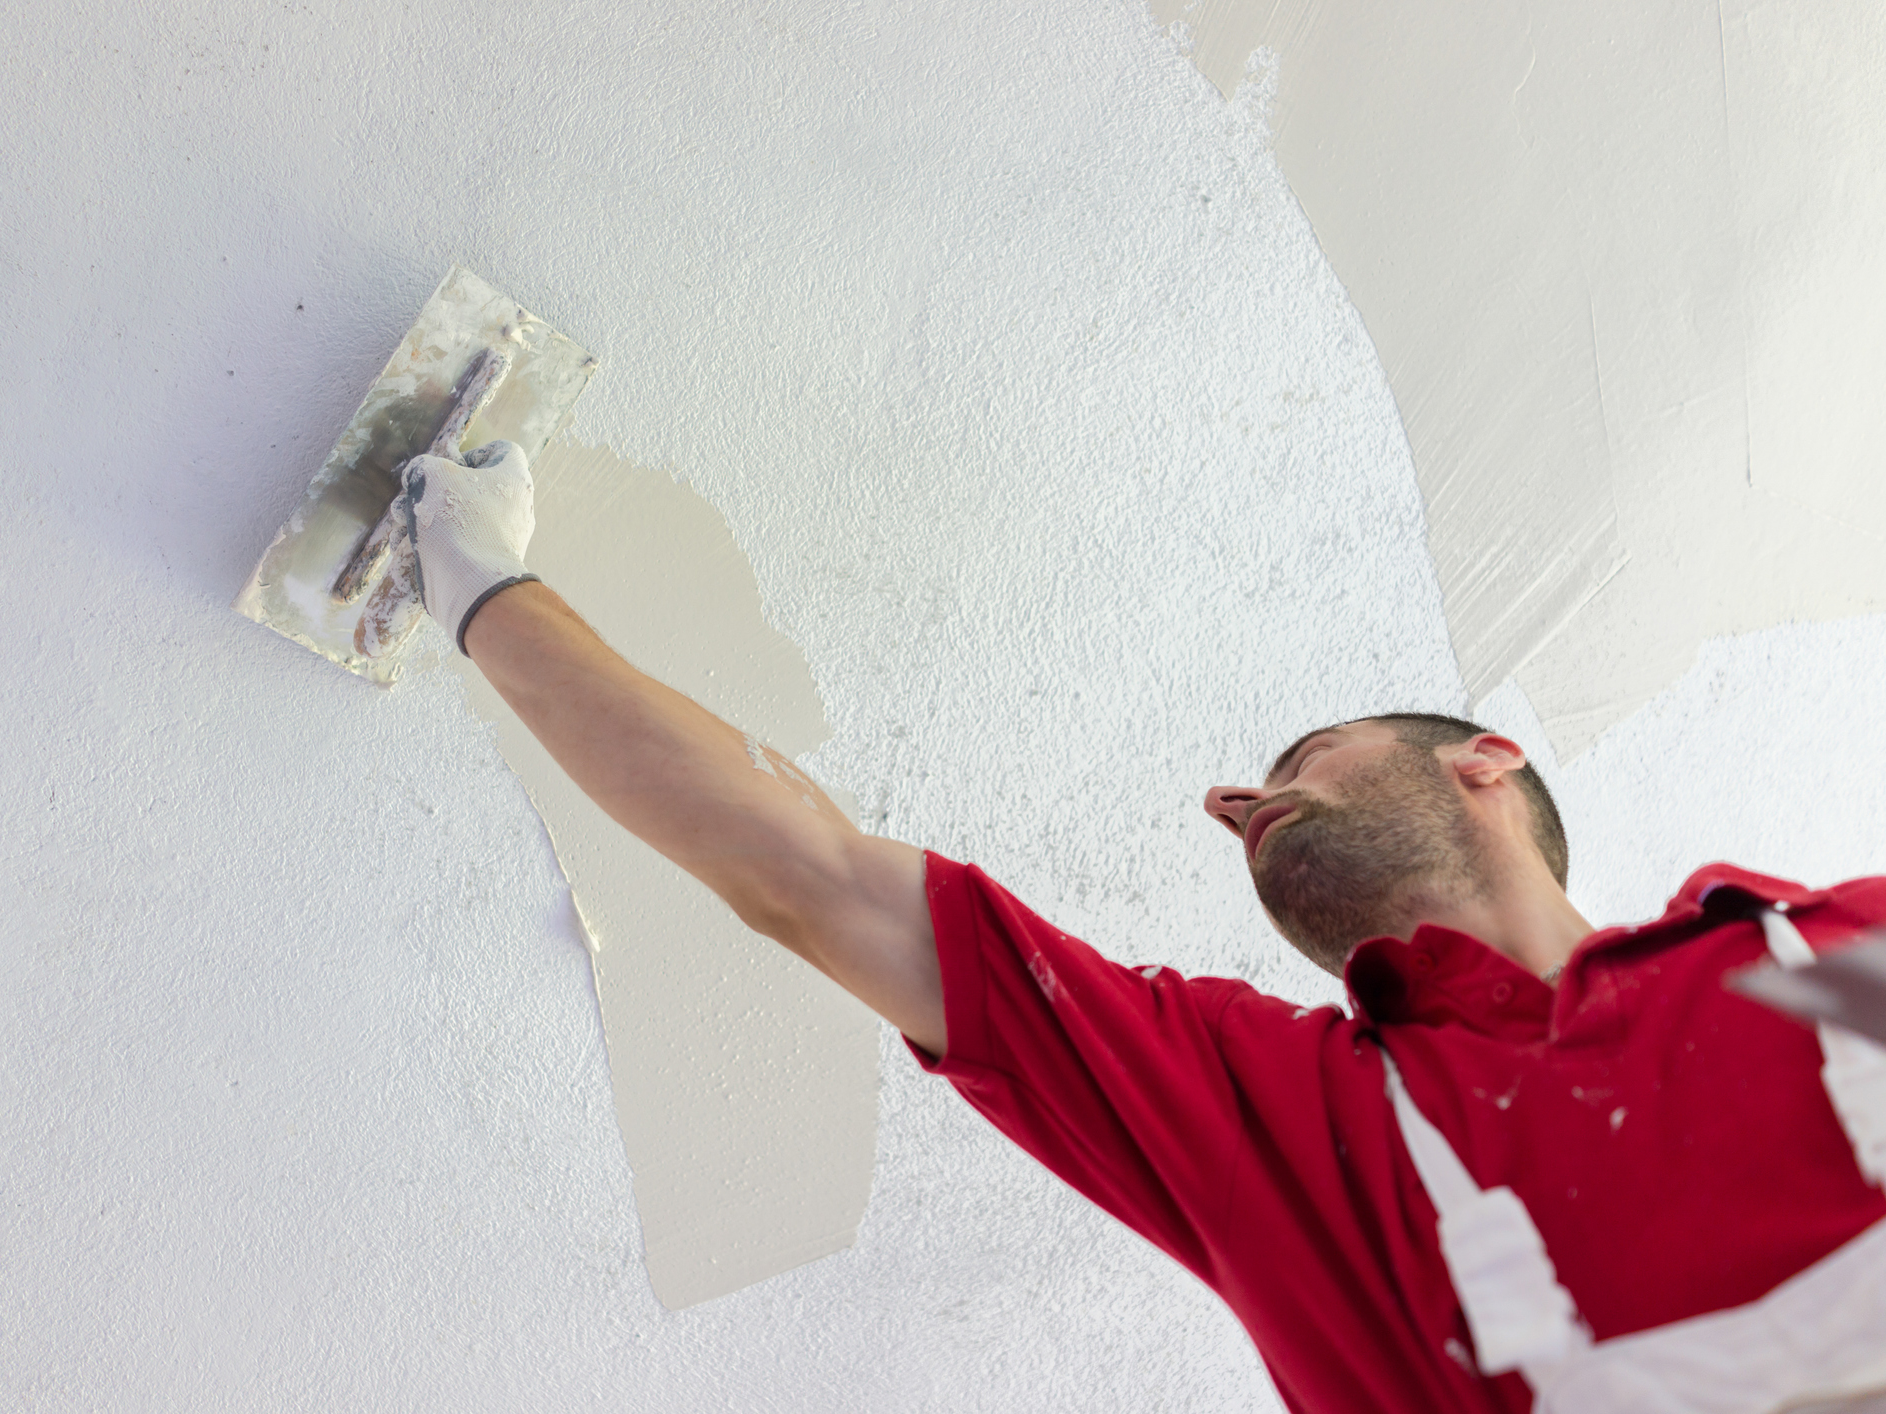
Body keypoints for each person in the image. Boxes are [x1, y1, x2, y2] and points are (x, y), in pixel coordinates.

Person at [401, 440, 1886, 1413]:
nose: (1240, 799)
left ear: (1482, 764)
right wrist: (482, 588)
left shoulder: (1798, 947)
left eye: (1307, 757)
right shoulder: (1279, 1124)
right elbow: (815, 877)